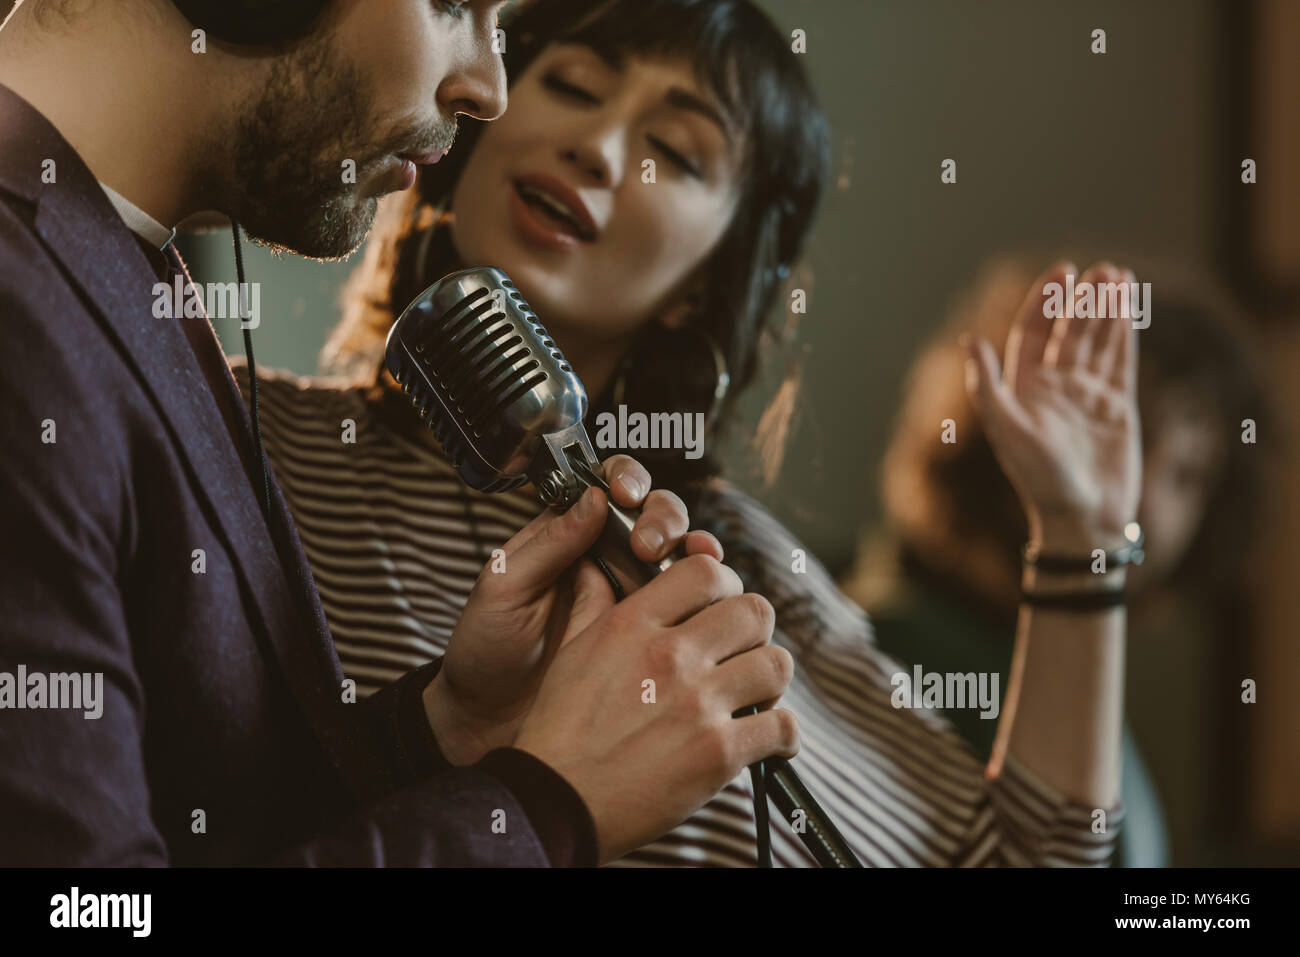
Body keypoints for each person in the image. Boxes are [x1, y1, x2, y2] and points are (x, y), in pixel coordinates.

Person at [237, 0, 1138, 866]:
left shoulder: (737, 562)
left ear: (704, 287)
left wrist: (1080, 538)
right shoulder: (240, 436)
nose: (596, 147)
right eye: (576, 87)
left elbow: (1038, 857)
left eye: (675, 149)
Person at [0, 0, 797, 867]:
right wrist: (543, 808)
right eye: (457, 4)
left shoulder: (121, 270)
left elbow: (213, 825)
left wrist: (442, 734)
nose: (491, 88)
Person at [843, 257, 1271, 867]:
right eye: (1134, 434)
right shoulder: (880, 645)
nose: (1143, 493)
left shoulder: (1077, 671)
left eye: (1188, 475)